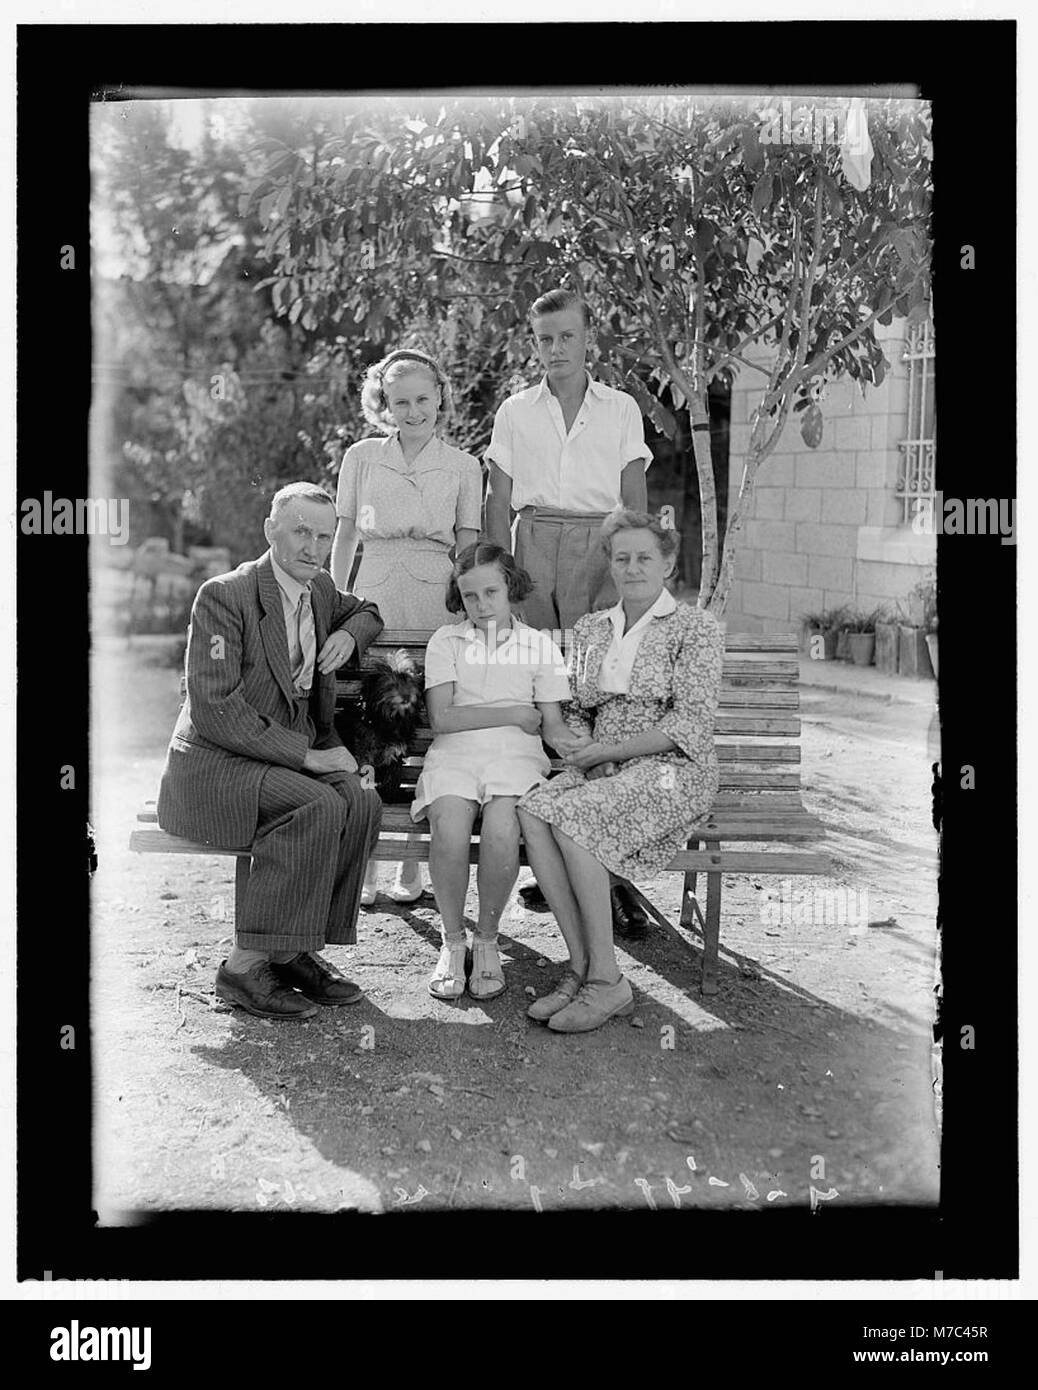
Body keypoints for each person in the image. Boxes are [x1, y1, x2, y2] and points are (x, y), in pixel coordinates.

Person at [157, 483, 385, 1022]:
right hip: (216, 764)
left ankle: (291, 950)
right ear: (271, 531)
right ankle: (243, 966)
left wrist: (351, 636)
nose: (313, 546)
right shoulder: (225, 595)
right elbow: (215, 708)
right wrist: (307, 757)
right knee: (317, 804)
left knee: (362, 802)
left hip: (274, 755)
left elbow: (370, 611)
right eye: (301, 532)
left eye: (324, 536)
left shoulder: (321, 589)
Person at [484, 286, 655, 933]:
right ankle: (544, 857)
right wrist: (504, 582)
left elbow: (632, 505)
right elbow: (498, 503)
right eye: (543, 339)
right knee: (543, 699)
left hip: (599, 550)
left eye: (566, 337)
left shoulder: (620, 410)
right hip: (534, 550)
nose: (554, 350)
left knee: (602, 701)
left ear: (589, 340)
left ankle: (613, 875)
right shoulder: (514, 413)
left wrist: (623, 584)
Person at [517, 509, 724, 1033]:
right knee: (534, 808)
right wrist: (581, 742)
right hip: (604, 765)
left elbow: (690, 722)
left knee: (578, 814)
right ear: (610, 565)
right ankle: (582, 966)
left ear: (668, 564)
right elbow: (577, 708)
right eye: (622, 558)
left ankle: (608, 981)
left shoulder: (695, 628)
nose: (632, 568)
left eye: (644, 558)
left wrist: (613, 753)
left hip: (672, 767)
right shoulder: (591, 628)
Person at [331, 348, 482, 905]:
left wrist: (470, 612)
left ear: (440, 396)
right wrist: (335, 600)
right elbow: (345, 534)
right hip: (374, 594)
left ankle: (413, 867)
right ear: (383, 405)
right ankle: (366, 864)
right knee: (367, 724)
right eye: (400, 401)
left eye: (422, 398)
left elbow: (468, 544)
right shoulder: (361, 458)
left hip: (436, 598)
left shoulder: (466, 466)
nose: (413, 410)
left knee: (425, 725)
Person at [412, 543, 577, 1001]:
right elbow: (443, 719)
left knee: (504, 828)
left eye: (491, 592)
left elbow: (554, 725)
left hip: (516, 757)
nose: (482, 605)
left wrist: (596, 752)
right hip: (455, 753)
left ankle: (486, 940)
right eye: (470, 597)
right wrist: (511, 710)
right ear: (459, 598)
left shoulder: (538, 644)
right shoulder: (446, 641)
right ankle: (451, 941)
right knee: (449, 827)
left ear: (510, 588)